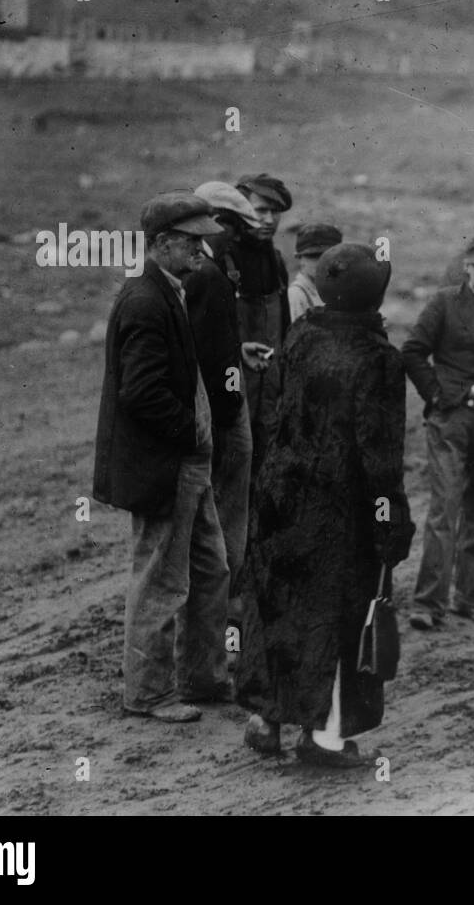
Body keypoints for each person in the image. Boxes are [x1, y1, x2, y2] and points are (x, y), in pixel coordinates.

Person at [235, 242, 415, 767]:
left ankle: (265, 718)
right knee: (334, 621)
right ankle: (323, 739)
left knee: (276, 608)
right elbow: (379, 457)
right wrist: (391, 525)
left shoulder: (302, 334)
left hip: (280, 496)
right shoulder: (378, 359)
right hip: (341, 514)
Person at [92, 190, 232, 722]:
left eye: (202, 237)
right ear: (160, 245)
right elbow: (141, 392)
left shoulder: (169, 290)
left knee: (212, 568)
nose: (202, 247)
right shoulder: (147, 301)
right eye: (191, 240)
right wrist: (191, 434)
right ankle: (148, 694)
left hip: (185, 465)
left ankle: (204, 678)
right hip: (169, 467)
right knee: (160, 580)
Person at [402, 233, 474, 630]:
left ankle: (473, 597)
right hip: (450, 419)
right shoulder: (445, 302)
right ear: (466, 267)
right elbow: (412, 351)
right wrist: (438, 395)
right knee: (444, 510)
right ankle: (428, 604)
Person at [186, 182, 273, 654]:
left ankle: (222, 628)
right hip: (217, 420)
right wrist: (224, 417)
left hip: (217, 414)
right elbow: (199, 351)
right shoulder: (208, 276)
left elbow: (210, 342)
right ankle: (220, 634)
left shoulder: (209, 272)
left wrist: (236, 352)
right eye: (227, 226)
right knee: (220, 532)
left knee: (222, 530)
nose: (226, 236)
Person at [221, 173, 294, 480]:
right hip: (233, 388)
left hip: (270, 390)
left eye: (274, 212)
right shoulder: (223, 259)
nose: (268, 220)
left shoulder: (275, 261)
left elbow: (286, 328)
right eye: (260, 210)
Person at [288, 223, 343, 319]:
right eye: (313, 256)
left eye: (327, 256)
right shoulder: (297, 294)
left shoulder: (337, 287)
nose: (321, 263)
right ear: (299, 258)